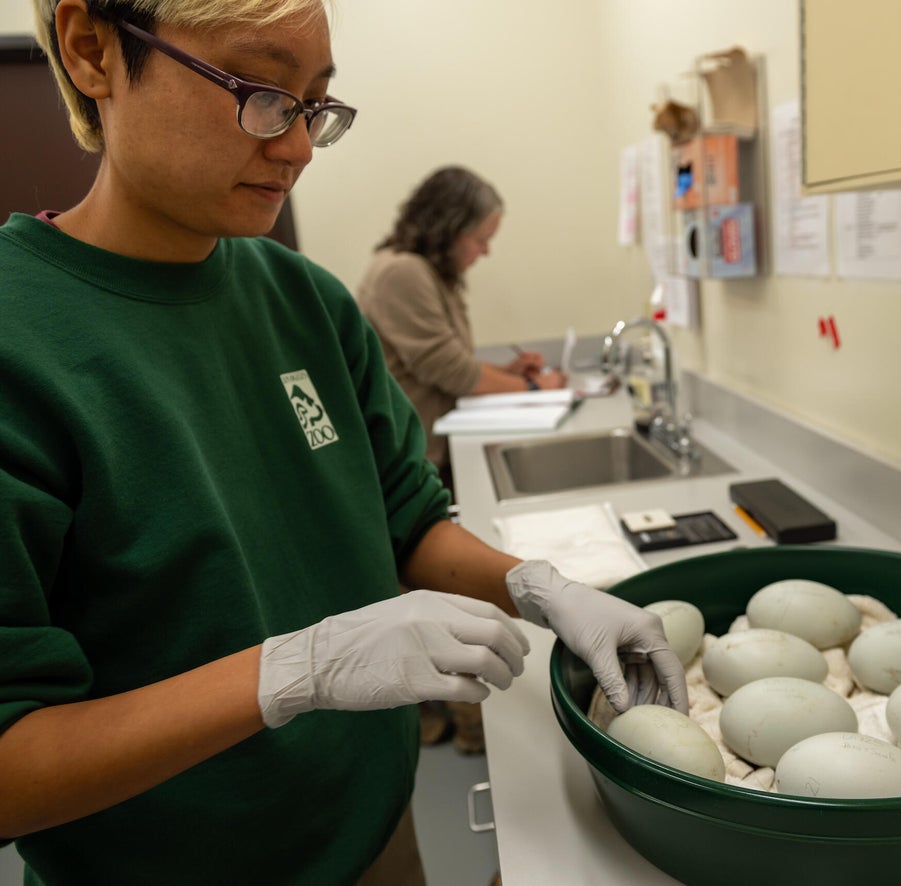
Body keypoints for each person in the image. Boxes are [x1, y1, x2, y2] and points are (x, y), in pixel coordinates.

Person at [0, 2, 686, 884]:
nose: (294, 147)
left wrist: (538, 590)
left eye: (314, 105)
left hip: (373, 830)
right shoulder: (21, 341)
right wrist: (293, 670)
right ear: (92, 49)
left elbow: (407, 519)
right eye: (259, 91)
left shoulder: (306, 301)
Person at [355, 166, 569, 488]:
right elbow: (452, 371)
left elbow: (444, 363)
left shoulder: (426, 271)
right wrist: (536, 389)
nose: (486, 251)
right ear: (449, 228)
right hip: (411, 465)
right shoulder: (402, 272)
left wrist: (507, 372)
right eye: (481, 239)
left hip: (428, 454)